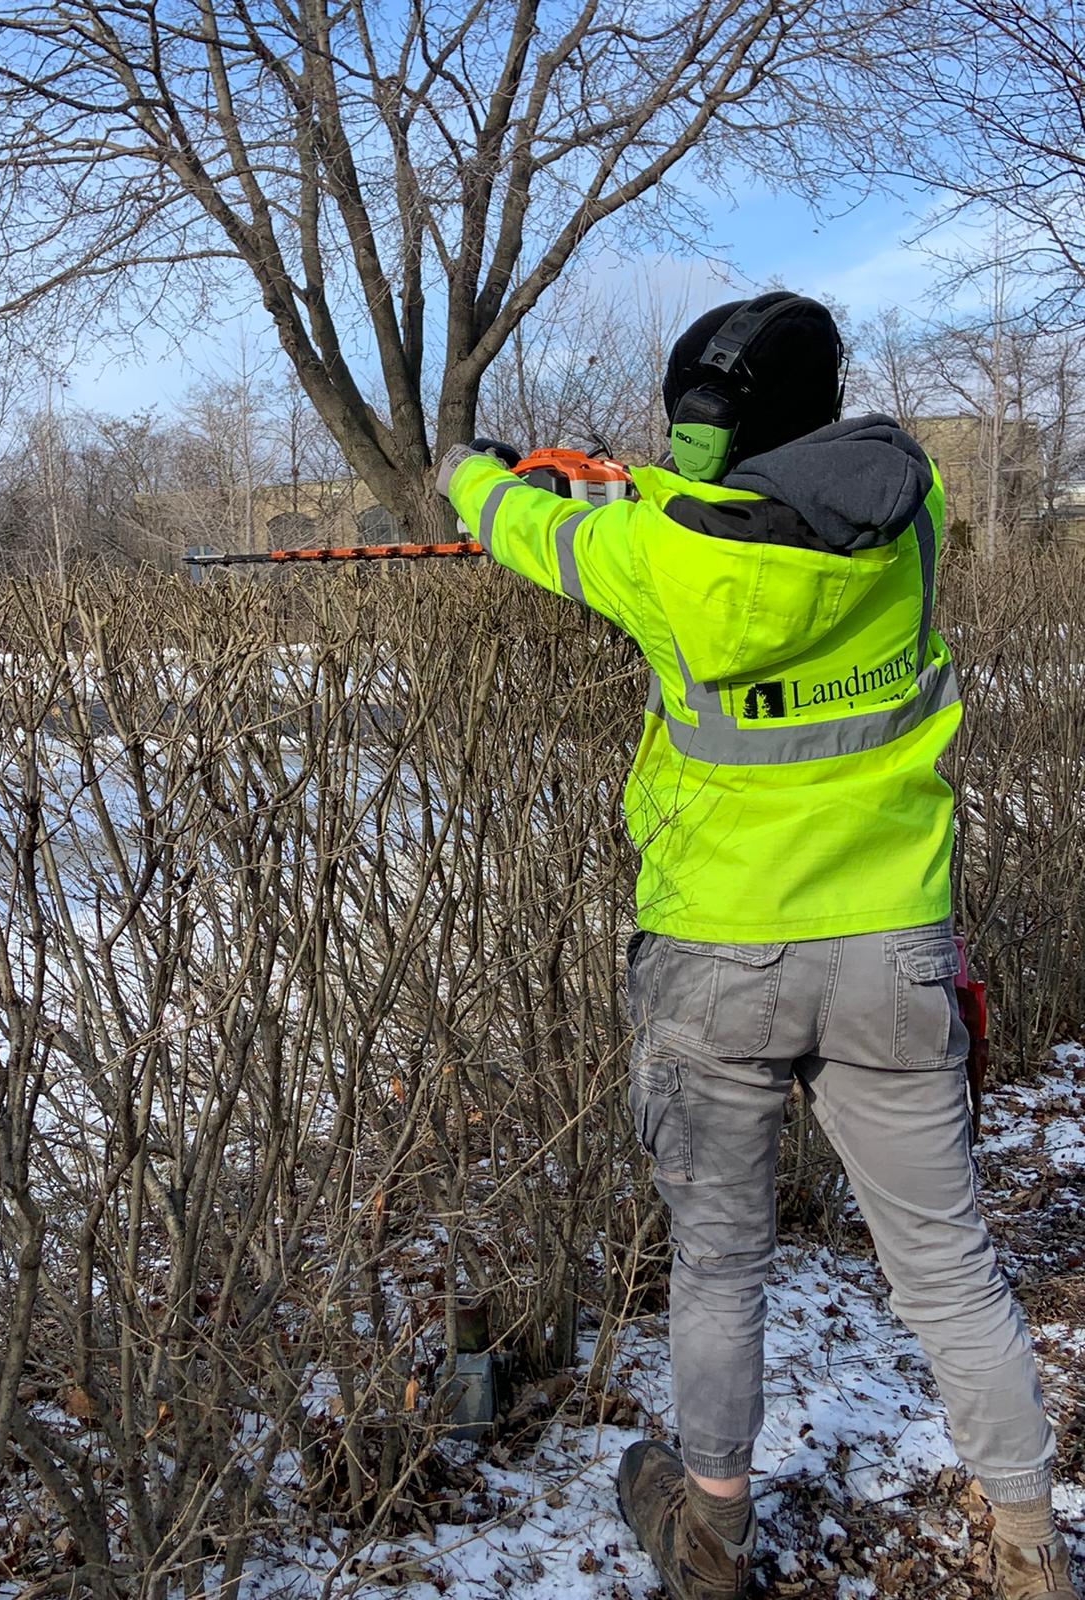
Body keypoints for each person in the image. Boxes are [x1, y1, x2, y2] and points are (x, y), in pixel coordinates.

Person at [434, 291, 1078, 1600]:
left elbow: (532, 530)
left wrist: (474, 473)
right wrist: (641, 487)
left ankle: (712, 1535)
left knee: (719, 1265)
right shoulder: (914, 512)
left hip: (713, 957)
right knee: (950, 1268)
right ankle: (1030, 1548)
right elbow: (777, 503)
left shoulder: (660, 557)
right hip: (890, 948)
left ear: (697, 432)